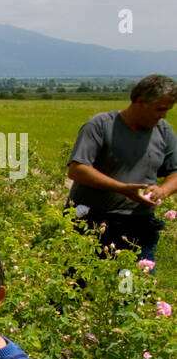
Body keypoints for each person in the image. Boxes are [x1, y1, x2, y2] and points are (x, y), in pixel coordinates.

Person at [67, 74, 177, 268]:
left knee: (131, 291)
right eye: (159, 109)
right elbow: (77, 169)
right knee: (77, 284)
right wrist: (122, 188)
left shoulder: (163, 131)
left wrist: (163, 190)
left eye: (167, 110)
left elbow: (175, 172)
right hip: (92, 222)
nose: (163, 115)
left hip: (139, 226)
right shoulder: (100, 125)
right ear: (141, 101)